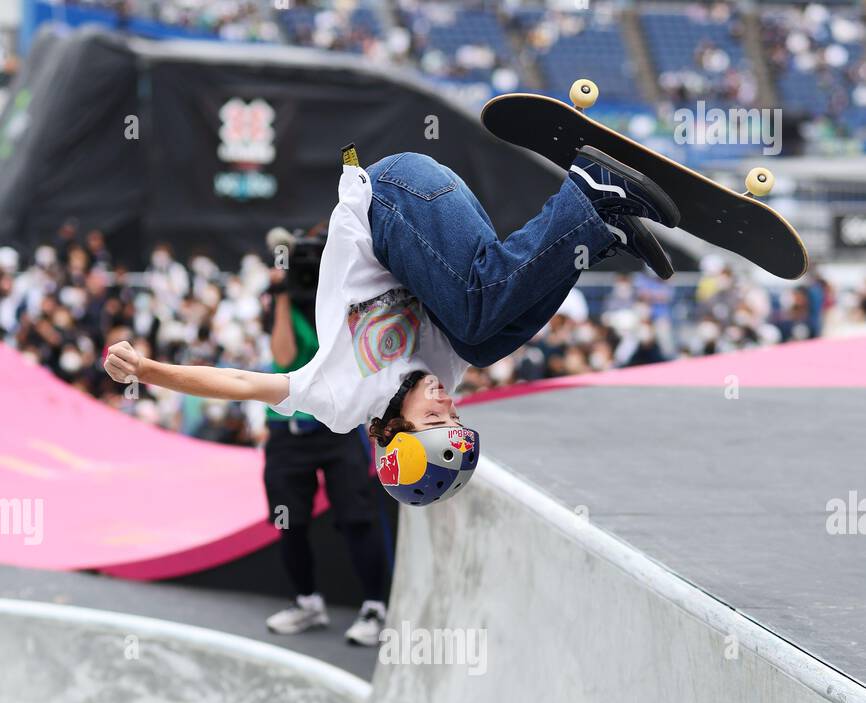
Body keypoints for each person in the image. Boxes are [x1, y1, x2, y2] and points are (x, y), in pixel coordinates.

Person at [105, 146, 677, 487]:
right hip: (440, 222)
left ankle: (588, 196)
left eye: (434, 421)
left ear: (391, 431)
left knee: (475, 321)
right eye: (452, 418)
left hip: (390, 196)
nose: (447, 405)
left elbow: (238, 382)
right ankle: (600, 232)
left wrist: (148, 372)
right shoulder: (446, 375)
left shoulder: (338, 399)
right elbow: (509, 302)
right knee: (482, 343)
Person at [261, 263, 390, 645]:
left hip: (338, 425)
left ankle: (374, 608)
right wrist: (282, 293)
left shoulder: (344, 300)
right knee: (288, 522)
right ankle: (307, 602)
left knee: (357, 518)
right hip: (287, 429)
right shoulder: (280, 302)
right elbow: (283, 356)